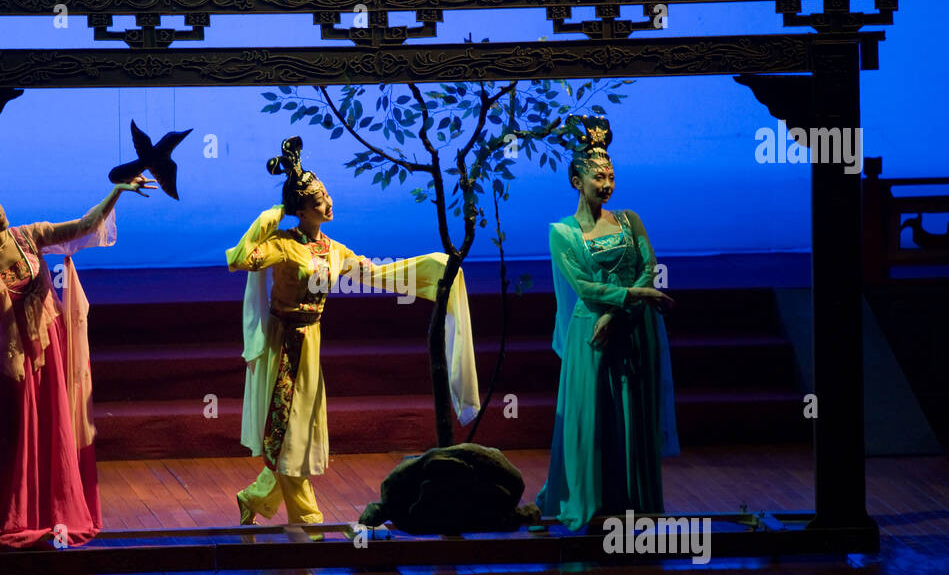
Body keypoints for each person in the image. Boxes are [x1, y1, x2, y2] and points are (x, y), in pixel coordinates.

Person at [226, 137, 479, 535]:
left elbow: (373, 273)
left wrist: (432, 270)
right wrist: (271, 216)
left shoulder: (332, 250)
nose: (328, 202)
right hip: (284, 346)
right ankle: (308, 521)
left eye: (326, 194)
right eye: (318, 199)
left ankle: (256, 496)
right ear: (300, 209)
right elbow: (241, 260)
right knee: (289, 430)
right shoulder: (283, 245)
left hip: (310, 343)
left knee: (301, 428)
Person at [0, 170, 156, 547]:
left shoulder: (30, 235)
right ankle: (14, 511)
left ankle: (55, 510)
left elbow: (83, 225)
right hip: (17, 359)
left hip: (51, 344)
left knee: (55, 425)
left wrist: (117, 192)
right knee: (16, 433)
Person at [536, 116, 679, 531]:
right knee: (593, 417)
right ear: (575, 180)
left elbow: (648, 267)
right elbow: (582, 285)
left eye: (611, 176)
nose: (607, 184)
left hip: (632, 329)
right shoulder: (562, 232)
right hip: (590, 332)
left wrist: (622, 310)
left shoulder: (630, 220)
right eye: (598, 177)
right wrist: (635, 297)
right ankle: (591, 502)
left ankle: (635, 503)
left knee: (634, 414)